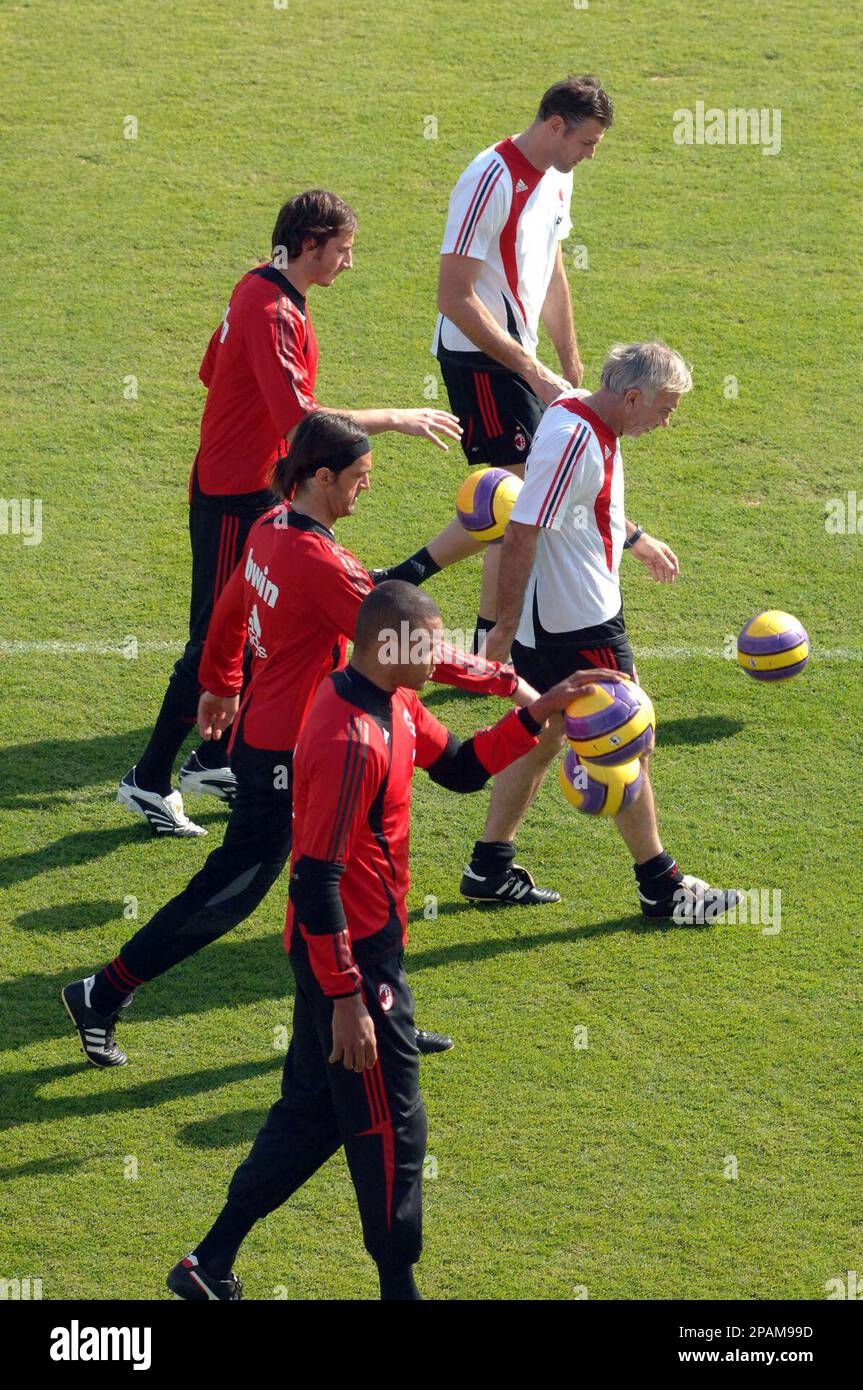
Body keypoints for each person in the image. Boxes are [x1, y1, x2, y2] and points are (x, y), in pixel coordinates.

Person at [165, 581, 614, 1301]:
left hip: (340, 951)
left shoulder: (394, 701)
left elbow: (462, 769)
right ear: (389, 645)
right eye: (428, 642)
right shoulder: (349, 737)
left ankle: (207, 1264)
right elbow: (315, 879)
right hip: (350, 958)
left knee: (313, 1113)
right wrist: (347, 997)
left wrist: (539, 710)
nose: (440, 654)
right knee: (390, 1128)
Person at [62, 413, 533, 1068]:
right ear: (322, 477)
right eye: (360, 478)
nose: (366, 488)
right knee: (237, 889)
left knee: (363, 875)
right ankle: (102, 993)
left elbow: (229, 608)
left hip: (282, 732)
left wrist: (222, 682)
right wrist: (507, 681)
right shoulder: (320, 563)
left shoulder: (270, 525)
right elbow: (408, 645)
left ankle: (382, 1016)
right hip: (298, 753)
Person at [118, 190, 461, 837]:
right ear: (310, 245)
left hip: (250, 485)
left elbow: (209, 370)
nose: (349, 264)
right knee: (210, 640)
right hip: (232, 497)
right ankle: (149, 780)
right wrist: (394, 418)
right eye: (344, 251)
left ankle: (213, 758)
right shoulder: (273, 308)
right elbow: (300, 421)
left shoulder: (261, 289)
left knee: (254, 619)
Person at [457, 341, 740, 919]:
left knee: (541, 735)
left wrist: (635, 540)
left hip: (557, 618)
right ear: (632, 396)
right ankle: (661, 888)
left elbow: (584, 505)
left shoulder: (582, 412)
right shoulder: (573, 439)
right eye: (665, 408)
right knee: (628, 734)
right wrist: (501, 631)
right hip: (578, 621)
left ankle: (487, 867)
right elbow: (523, 530)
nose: (668, 421)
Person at [374, 76, 614, 650]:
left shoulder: (558, 179)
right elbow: (453, 296)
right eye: (586, 142)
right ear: (555, 125)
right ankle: (428, 600)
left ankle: (472, 629)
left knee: (515, 499)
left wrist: (569, 359)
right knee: (517, 500)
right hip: (478, 359)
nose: (590, 154)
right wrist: (529, 368)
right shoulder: (489, 178)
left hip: (524, 360)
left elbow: (552, 268)